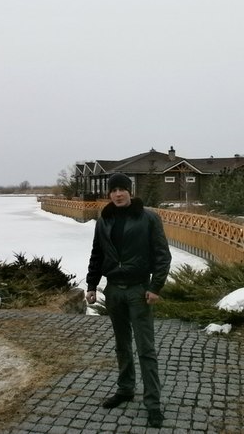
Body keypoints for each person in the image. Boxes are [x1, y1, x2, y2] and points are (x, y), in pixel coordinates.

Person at [86, 172, 171, 429]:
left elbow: (162, 255)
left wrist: (155, 286)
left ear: (129, 192)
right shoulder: (105, 219)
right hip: (114, 290)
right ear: (109, 194)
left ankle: (153, 403)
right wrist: (91, 285)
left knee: (146, 349)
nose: (118, 194)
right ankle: (125, 389)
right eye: (113, 190)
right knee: (122, 345)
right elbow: (97, 254)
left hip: (138, 291)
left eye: (122, 189)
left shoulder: (148, 218)